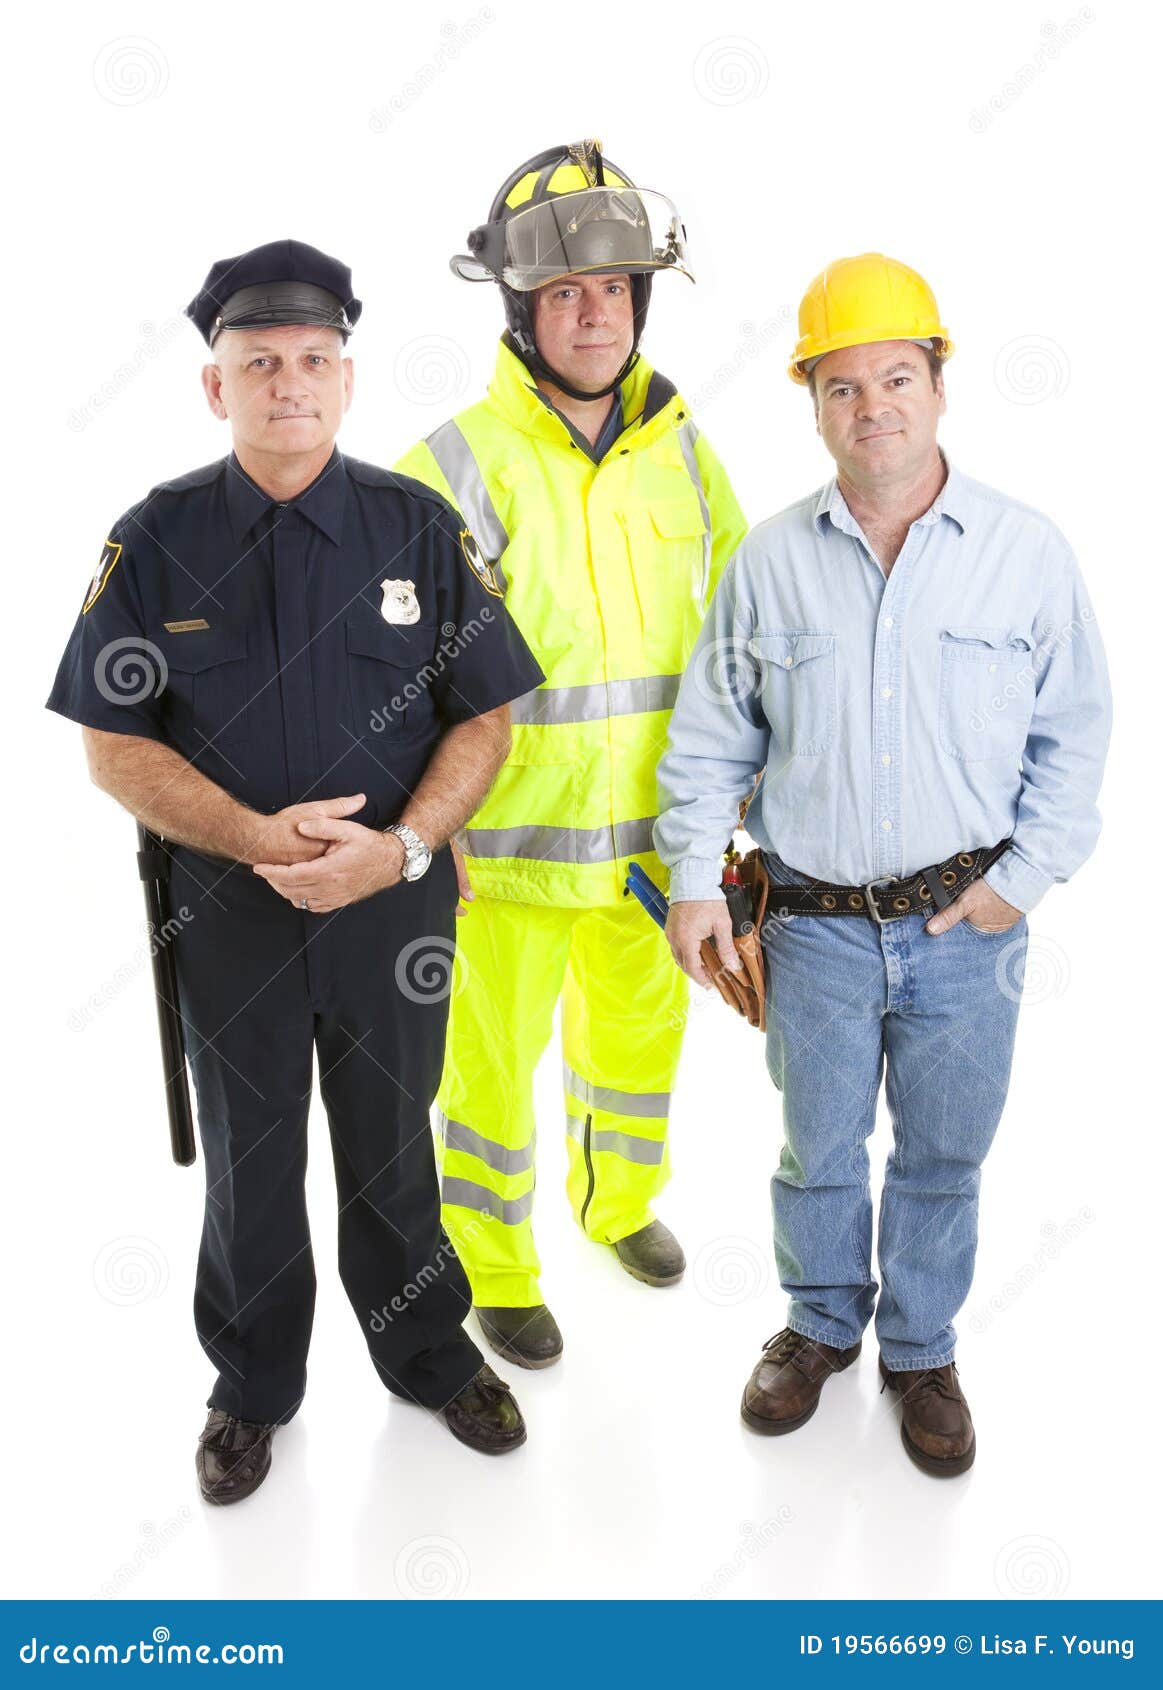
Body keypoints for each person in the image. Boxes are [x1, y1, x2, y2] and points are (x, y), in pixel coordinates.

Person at [47, 239, 547, 1503]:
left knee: (392, 1150)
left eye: (312, 360)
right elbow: (115, 741)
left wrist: (405, 847)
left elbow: (485, 717)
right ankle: (252, 1387)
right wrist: (257, 839)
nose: (288, 383)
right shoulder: (154, 539)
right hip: (228, 919)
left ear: (346, 379)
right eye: (258, 360)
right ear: (216, 388)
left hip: (395, 912)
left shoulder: (416, 528)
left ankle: (429, 1355)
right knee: (251, 1161)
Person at [655, 253, 1112, 1475]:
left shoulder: (1023, 551)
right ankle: (817, 1325)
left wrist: (1021, 879)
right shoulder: (765, 560)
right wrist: (697, 883)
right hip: (806, 926)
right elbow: (709, 740)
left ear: (938, 382)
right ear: (810, 401)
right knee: (816, 1141)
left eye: (894, 378)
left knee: (942, 1152)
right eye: (841, 387)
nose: (872, 410)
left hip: (968, 927)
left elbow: (1075, 735)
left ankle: (919, 1347)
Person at [395, 140, 748, 1368]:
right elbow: (392, 689)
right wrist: (424, 837)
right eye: (564, 293)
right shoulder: (448, 469)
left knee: (640, 1046)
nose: (592, 313)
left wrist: (738, 807)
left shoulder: (687, 456)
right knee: (486, 1074)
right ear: (523, 310)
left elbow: (739, 642)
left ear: (639, 302)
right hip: (502, 859)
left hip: (655, 847)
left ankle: (618, 1206)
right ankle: (493, 1266)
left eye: (612, 289)